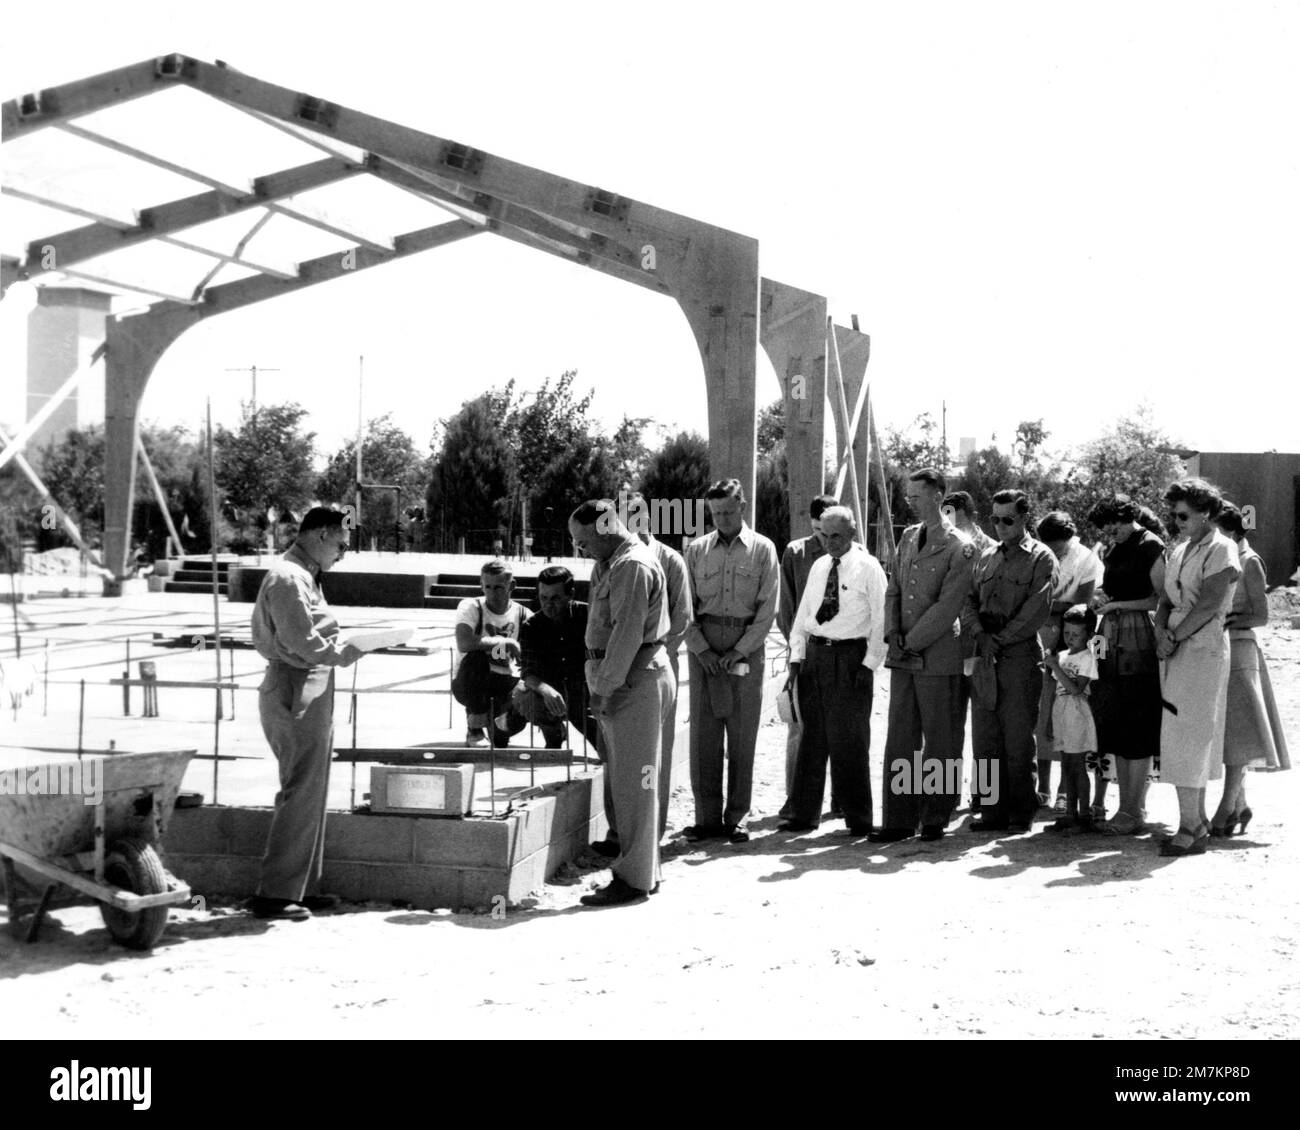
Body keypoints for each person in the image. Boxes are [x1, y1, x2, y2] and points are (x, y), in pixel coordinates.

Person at [247, 507, 362, 921]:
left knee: (310, 788)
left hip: (308, 681)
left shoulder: (303, 575)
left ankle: (299, 886)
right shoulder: (289, 577)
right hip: (296, 683)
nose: (343, 554)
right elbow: (299, 640)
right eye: (342, 544)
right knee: (300, 787)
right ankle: (275, 894)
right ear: (321, 535)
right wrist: (343, 653)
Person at [569, 500, 674, 906]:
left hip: (632, 681)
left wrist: (603, 688)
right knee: (636, 782)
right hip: (632, 679)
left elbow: (627, 634)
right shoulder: (614, 562)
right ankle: (646, 869)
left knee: (634, 785)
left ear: (605, 527)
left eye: (583, 540)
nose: (580, 549)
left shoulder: (631, 565)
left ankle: (633, 879)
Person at [875, 469, 975, 843]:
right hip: (903, 654)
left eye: (917, 496)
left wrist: (910, 641)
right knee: (901, 739)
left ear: (938, 496)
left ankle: (936, 814)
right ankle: (900, 818)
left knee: (940, 739)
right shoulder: (907, 537)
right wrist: (892, 635)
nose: (911, 503)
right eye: (909, 497)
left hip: (937, 655)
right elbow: (894, 589)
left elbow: (947, 606)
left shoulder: (959, 546)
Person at [682, 478, 779, 844]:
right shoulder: (696, 550)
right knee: (704, 737)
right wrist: (702, 649)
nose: (721, 519)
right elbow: (685, 606)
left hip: (745, 646)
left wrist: (740, 650)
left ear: (742, 506)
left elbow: (768, 608)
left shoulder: (763, 550)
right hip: (704, 645)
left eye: (727, 511)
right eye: (715, 513)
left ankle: (737, 817)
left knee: (742, 735)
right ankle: (705, 819)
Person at [780, 506, 887, 835]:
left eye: (836, 536)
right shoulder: (818, 566)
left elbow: (883, 621)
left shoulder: (868, 568)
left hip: (850, 658)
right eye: (823, 535)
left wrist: (869, 666)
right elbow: (803, 615)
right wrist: (796, 659)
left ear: (853, 533)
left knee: (850, 742)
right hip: (816, 657)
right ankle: (803, 814)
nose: (829, 542)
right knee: (812, 739)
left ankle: (858, 819)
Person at [960, 489, 1056, 833]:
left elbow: (1036, 611)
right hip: (984, 653)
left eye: (1008, 520)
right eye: (995, 519)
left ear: (1024, 518)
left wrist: (997, 639)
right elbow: (967, 599)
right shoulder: (986, 557)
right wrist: (979, 634)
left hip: (1017, 655)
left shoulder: (1041, 558)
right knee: (986, 740)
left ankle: (1020, 812)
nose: (1000, 526)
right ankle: (990, 812)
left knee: (1017, 739)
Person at [1154, 479, 1241, 857]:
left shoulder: (1222, 549)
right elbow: (1165, 599)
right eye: (1172, 515)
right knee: (1177, 732)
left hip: (1202, 648)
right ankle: (1196, 820)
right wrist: (1160, 631)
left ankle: (1191, 826)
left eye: (1183, 514)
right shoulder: (1180, 549)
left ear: (1205, 512)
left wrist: (1175, 637)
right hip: (1174, 648)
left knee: (1193, 733)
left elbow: (1209, 604)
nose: (1177, 521)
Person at [1085, 494, 1166, 835]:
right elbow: (1110, 589)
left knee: (1137, 720)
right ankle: (1126, 808)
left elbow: (1160, 599)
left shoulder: (1151, 544)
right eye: (1105, 528)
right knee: (1114, 719)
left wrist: (1118, 606)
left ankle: (1135, 809)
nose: (1110, 532)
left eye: (1113, 524)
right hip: (1108, 636)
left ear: (1127, 516)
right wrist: (1102, 599)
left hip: (1137, 636)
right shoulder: (1114, 549)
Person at [1212, 502, 1290, 835]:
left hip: (1241, 650)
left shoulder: (1249, 561)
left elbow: (1262, 616)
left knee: (1240, 731)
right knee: (1230, 731)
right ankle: (1238, 804)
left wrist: (1226, 619)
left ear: (1230, 531)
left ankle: (1227, 807)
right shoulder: (1220, 559)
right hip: (1219, 649)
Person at [624, 492, 690, 839]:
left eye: (637, 513)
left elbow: (681, 619)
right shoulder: (612, 561)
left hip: (656, 664)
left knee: (656, 749)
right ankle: (622, 830)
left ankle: (654, 830)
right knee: (623, 749)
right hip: (621, 669)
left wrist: (651, 656)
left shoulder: (670, 560)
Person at [1033, 511, 1104, 812]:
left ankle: (1066, 789)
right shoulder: (1039, 554)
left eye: (1058, 545)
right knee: (1042, 713)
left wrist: (1048, 605)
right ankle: (1042, 786)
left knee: (1067, 717)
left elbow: (1083, 603)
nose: (1054, 550)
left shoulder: (1086, 559)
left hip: (1072, 639)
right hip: (1041, 636)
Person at [776, 493, 836, 818]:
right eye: (817, 531)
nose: (824, 539)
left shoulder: (856, 555)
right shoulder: (796, 554)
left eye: (829, 531)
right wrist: (799, 650)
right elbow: (786, 610)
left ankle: (840, 800)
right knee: (799, 728)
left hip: (843, 654)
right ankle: (796, 800)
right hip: (806, 654)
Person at [515, 565, 598, 749]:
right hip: (550, 693)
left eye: (556, 598)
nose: (548, 605)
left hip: (584, 693)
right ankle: (554, 734)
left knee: (609, 750)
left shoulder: (589, 616)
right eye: (543, 598)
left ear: (571, 594)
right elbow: (528, 672)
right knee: (521, 708)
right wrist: (546, 690)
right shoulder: (531, 626)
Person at [454, 559, 530, 748]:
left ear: (511, 586)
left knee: (501, 739)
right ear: (481, 585)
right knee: (477, 656)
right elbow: (464, 642)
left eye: (499, 587)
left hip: (505, 683)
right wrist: (505, 641)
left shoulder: (523, 614)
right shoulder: (472, 607)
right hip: (471, 681)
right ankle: (475, 729)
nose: (492, 593)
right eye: (487, 587)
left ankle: (499, 725)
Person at [1043, 605, 1100, 834]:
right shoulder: (1064, 656)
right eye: (1067, 633)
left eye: (1076, 634)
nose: (1070, 639)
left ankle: (1084, 816)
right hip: (1061, 713)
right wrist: (1048, 721)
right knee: (1066, 766)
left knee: (1077, 767)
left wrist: (1055, 667)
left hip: (1077, 714)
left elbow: (1076, 689)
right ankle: (1069, 815)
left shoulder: (1087, 658)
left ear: (1088, 635)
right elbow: (1057, 691)